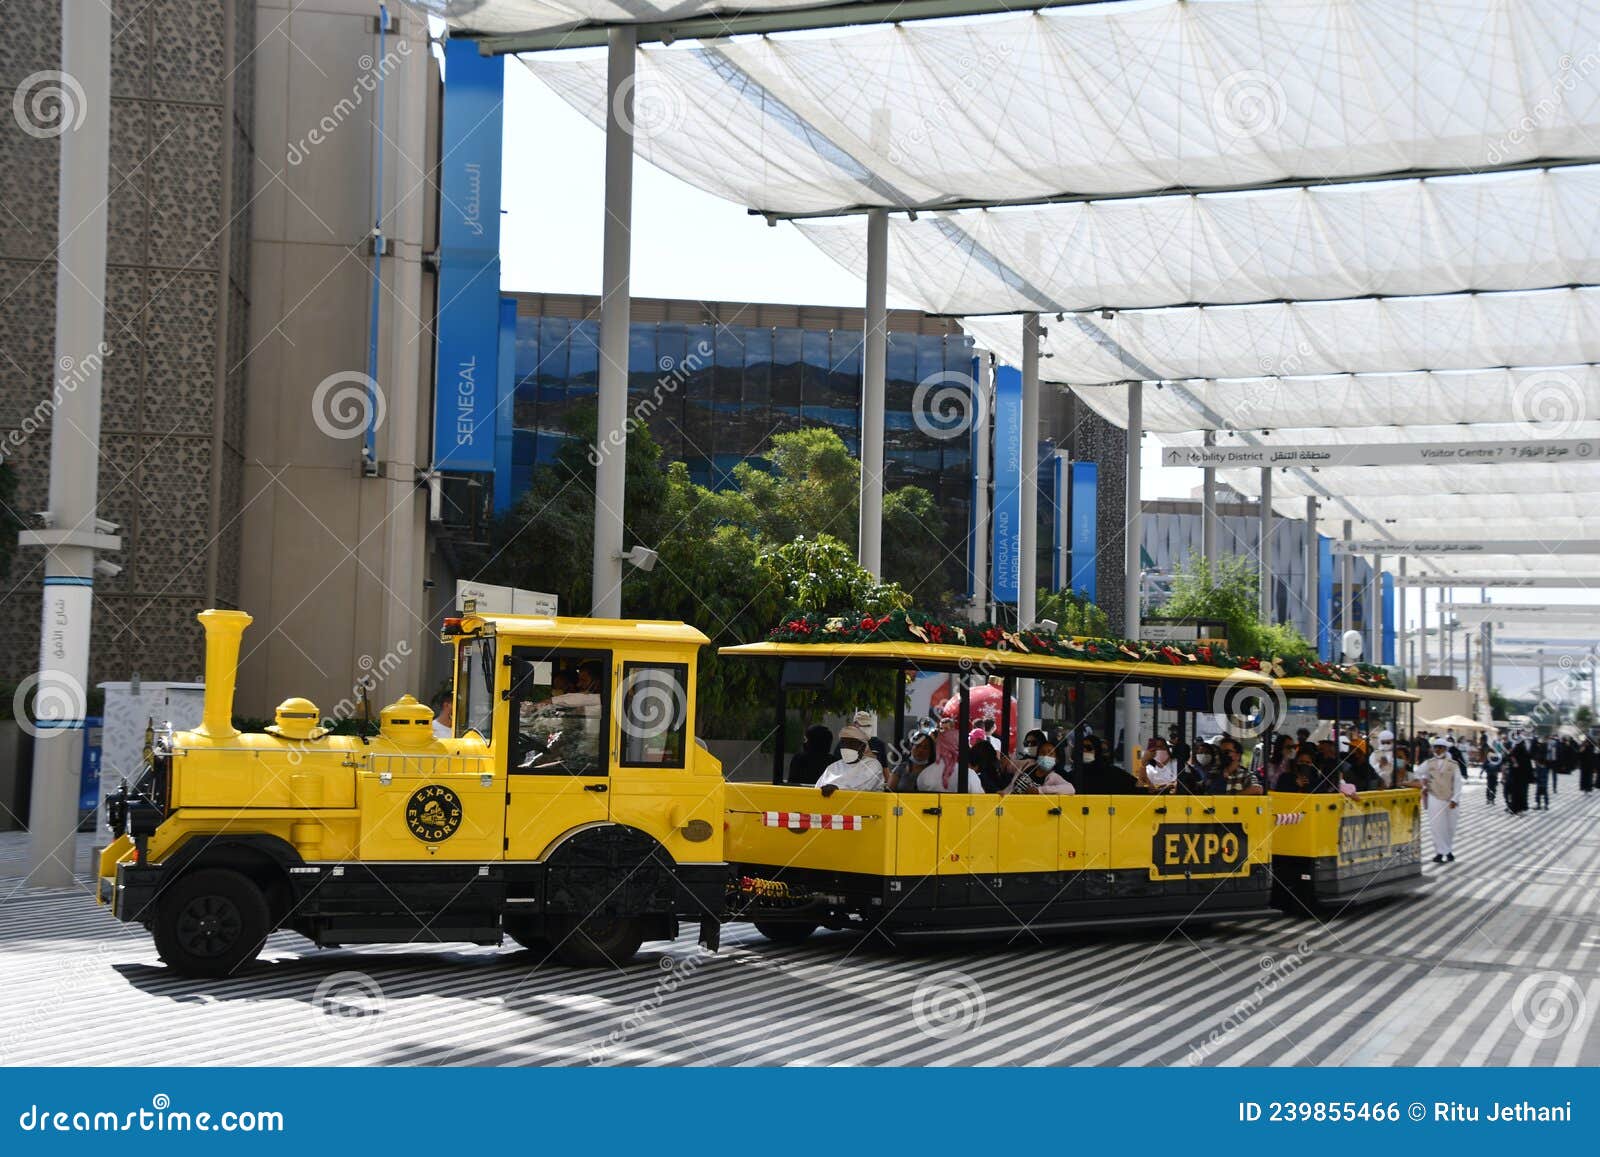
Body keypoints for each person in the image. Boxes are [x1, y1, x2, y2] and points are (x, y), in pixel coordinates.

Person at [1415, 736, 1463, 862]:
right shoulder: (1429, 763)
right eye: (1435, 747)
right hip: (1434, 797)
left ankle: (1448, 850)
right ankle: (1440, 852)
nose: (1438, 750)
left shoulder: (1453, 764)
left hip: (1450, 798)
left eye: (1440, 748)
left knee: (1450, 826)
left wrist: (1455, 799)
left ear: (1445, 749)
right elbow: (1418, 772)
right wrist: (1425, 783)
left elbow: (1458, 782)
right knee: (1436, 826)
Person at [817, 722, 886, 795]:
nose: (846, 746)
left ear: (862, 747)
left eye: (851, 743)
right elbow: (817, 789)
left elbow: (862, 788)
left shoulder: (873, 765)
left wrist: (837, 790)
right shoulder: (832, 768)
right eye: (843, 742)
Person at [1002, 737, 1075, 796]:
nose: (1046, 756)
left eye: (1050, 753)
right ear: (1038, 755)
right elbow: (1007, 764)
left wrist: (1039, 790)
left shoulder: (1053, 777)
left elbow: (1070, 789)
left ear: (1056, 760)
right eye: (1042, 752)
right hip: (1009, 804)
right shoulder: (1027, 763)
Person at [1069, 735, 1140, 794]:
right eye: (1081, 748)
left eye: (1088, 748)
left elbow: (1138, 788)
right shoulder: (1073, 775)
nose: (1084, 750)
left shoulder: (1113, 773)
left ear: (1097, 750)